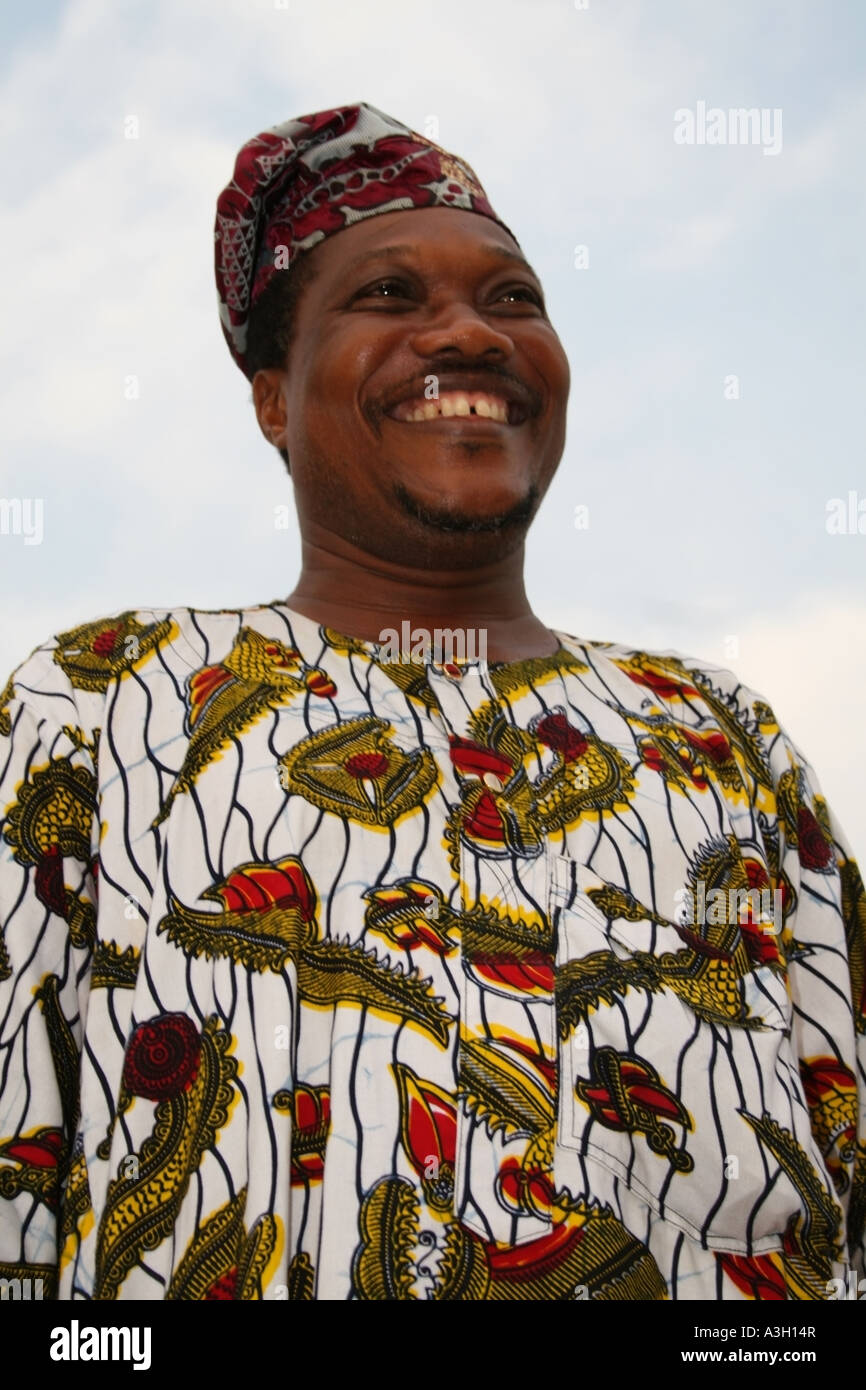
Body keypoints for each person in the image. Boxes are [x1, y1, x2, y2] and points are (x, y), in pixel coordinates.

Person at [0, 102, 863, 1303]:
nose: (467, 331)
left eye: (513, 299)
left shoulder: (717, 736)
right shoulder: (94, 708)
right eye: (388, 296)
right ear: (270, 399)